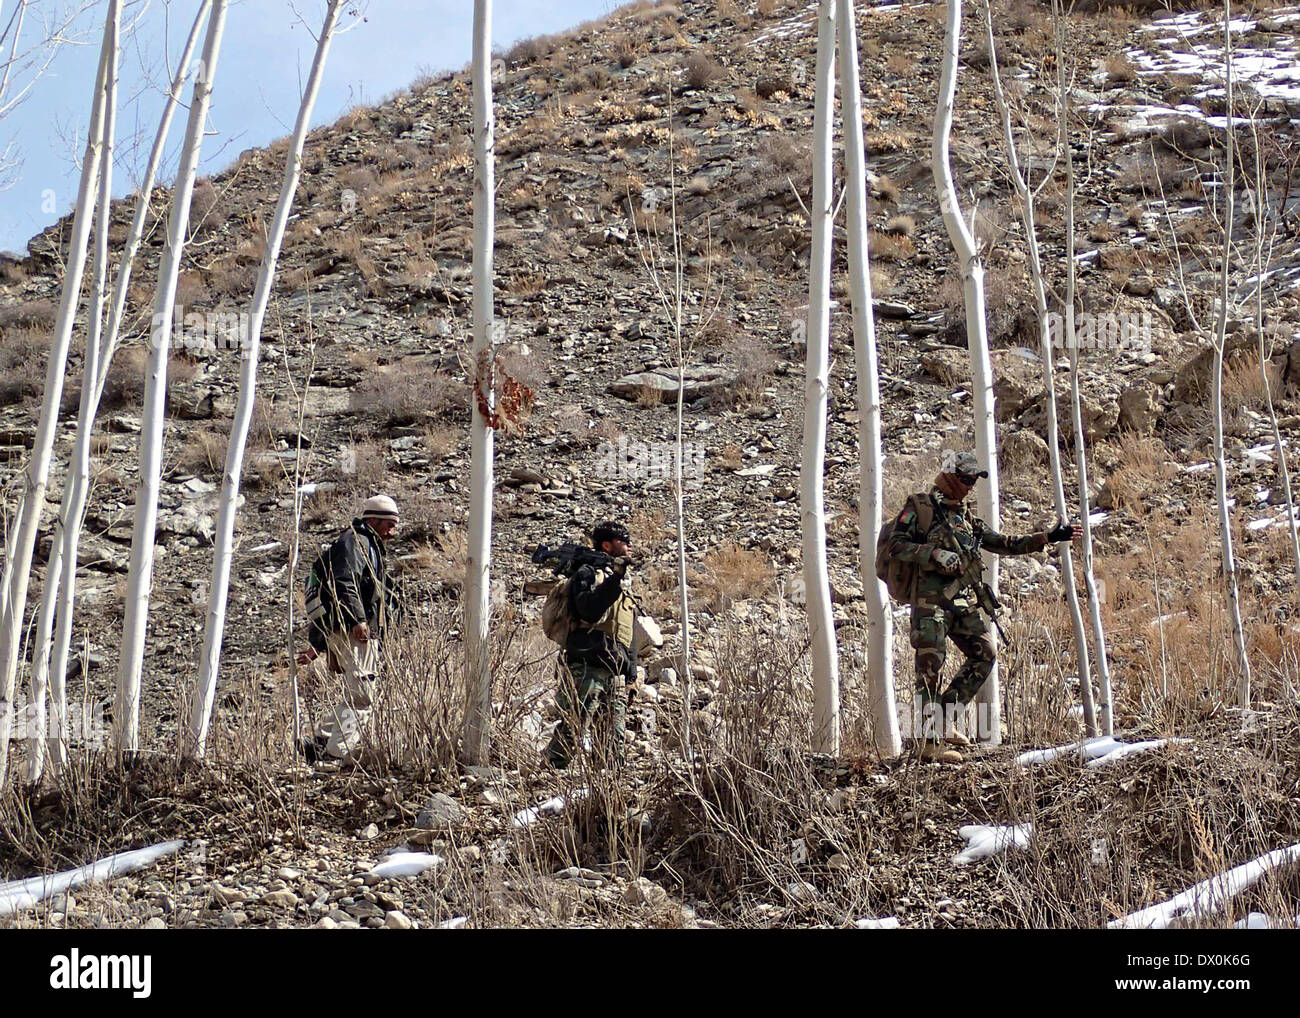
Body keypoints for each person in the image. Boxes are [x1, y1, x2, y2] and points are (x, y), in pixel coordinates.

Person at [888, 452, 1079, 763]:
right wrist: (934, 554)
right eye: (965, 479)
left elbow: (1004, 543)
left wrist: (1049, 537)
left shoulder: (966, 519)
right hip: (929, 603)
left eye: (973, 481)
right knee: (929, 667)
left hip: (959, 603)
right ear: (949, 477)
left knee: (985, 653)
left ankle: (939, 722)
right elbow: (897, 545)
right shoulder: (920, 508)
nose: (969, 486)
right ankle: (927, 743)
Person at [300, 494, 401, 762]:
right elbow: (344, 582)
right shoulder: (358, 542)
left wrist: (319, 644)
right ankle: (335, 753)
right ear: (373, 520)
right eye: (389, 524)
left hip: (345, 629)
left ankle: (320, 740)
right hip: (355, 630)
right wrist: (358, 620)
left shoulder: (358, 542)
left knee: (355, 692)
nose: (393, 531)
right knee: (363, 697)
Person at [544, 520, 637, 770]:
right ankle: (550, 775)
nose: (629, 545)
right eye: (623, 541)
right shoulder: (587, 573)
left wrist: (632, 673)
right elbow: (590, 611)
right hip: (587, 664)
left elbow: (628, 630)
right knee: (575, 723)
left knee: (613, 736)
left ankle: (607, 784)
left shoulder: (619, 582)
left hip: (615, 670)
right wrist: (615, 578)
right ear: (607, 545)